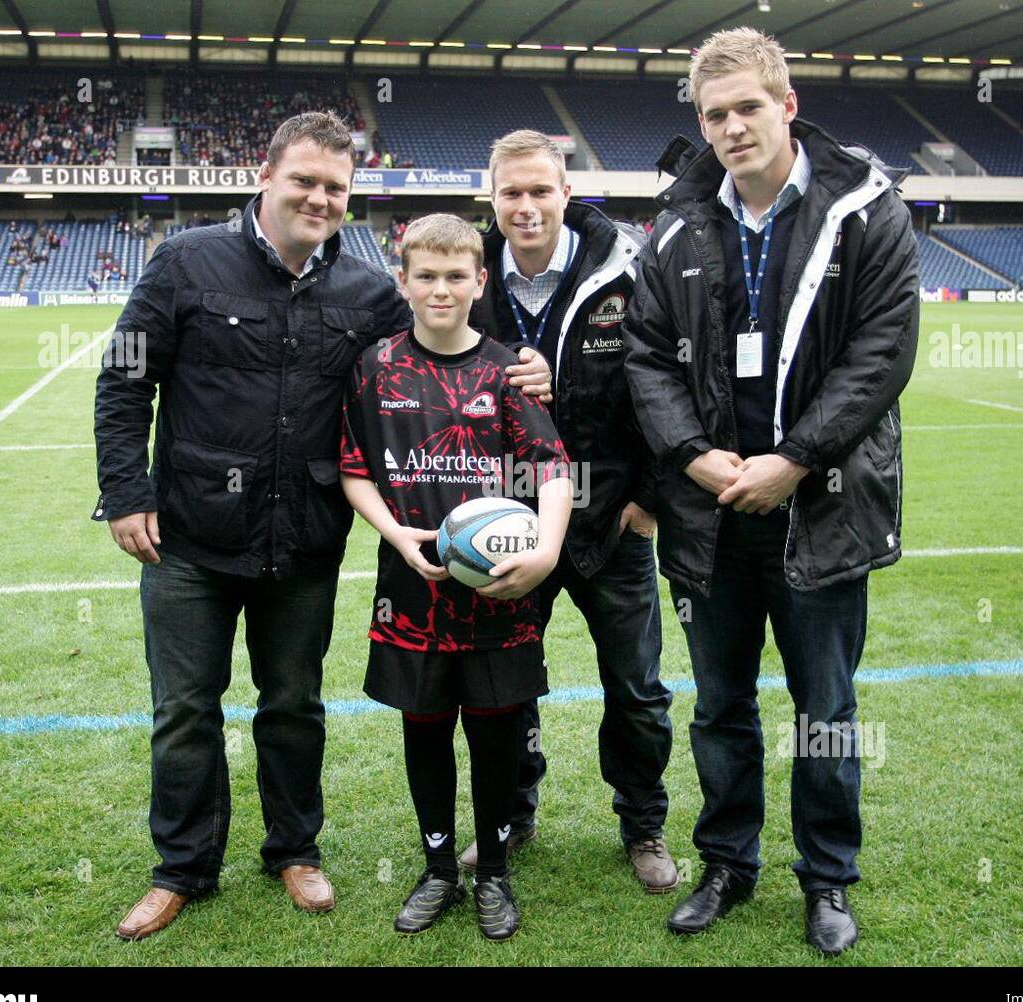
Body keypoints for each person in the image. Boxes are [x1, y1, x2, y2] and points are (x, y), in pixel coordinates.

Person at [94, 111, 552, 942]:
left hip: (303, 538)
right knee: (187, 707)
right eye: (304, 179)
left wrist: (527, 363)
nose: (319, 197)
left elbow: (441, 342)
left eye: (336, 187)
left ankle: (293, 850)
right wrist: (126, 490)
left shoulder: (370, 290)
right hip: (192, 535)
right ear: (265, 176)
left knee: (294, 703)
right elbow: (125, 375)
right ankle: (182, 868)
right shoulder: (185, 260)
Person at [623, 27, 919, 954]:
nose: (731, 127)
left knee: (824, 711)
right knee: (719, 704)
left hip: (822, 502)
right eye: (714, 115)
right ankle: (727, 862)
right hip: (712, 511)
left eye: (748, 106)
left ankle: (827, 876)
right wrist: (694, 458)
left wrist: (792, 457)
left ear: (787, 105)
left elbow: (881, 354)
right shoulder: (675, 223)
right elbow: (645, 355)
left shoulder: (867, 209)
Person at [341, 214, 573, 940]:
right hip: (413, 589)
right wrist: (396, 535)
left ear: (479, 281)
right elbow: (354, 469)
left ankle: (495, 872)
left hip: (502, 595)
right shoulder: (377, 367)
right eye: (426, 276)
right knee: (426, 728)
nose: (441, 289)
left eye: (455, 276)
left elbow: (556, 469)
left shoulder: (505, 370)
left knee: (497, 736)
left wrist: (546, 553)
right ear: (403, 281)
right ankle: (440, 867)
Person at [463, 130, 678, 893]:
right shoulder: (468, 272)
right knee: (504, 680)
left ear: (566, 191)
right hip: (506, 516)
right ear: (491, 198)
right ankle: (513, 813)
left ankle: (643, 821)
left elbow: (663, 380)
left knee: (637, 684)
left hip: (608, 514)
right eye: (510, 193)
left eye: (540, 191)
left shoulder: (628, 267)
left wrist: (649, 499)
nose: (526, 207)